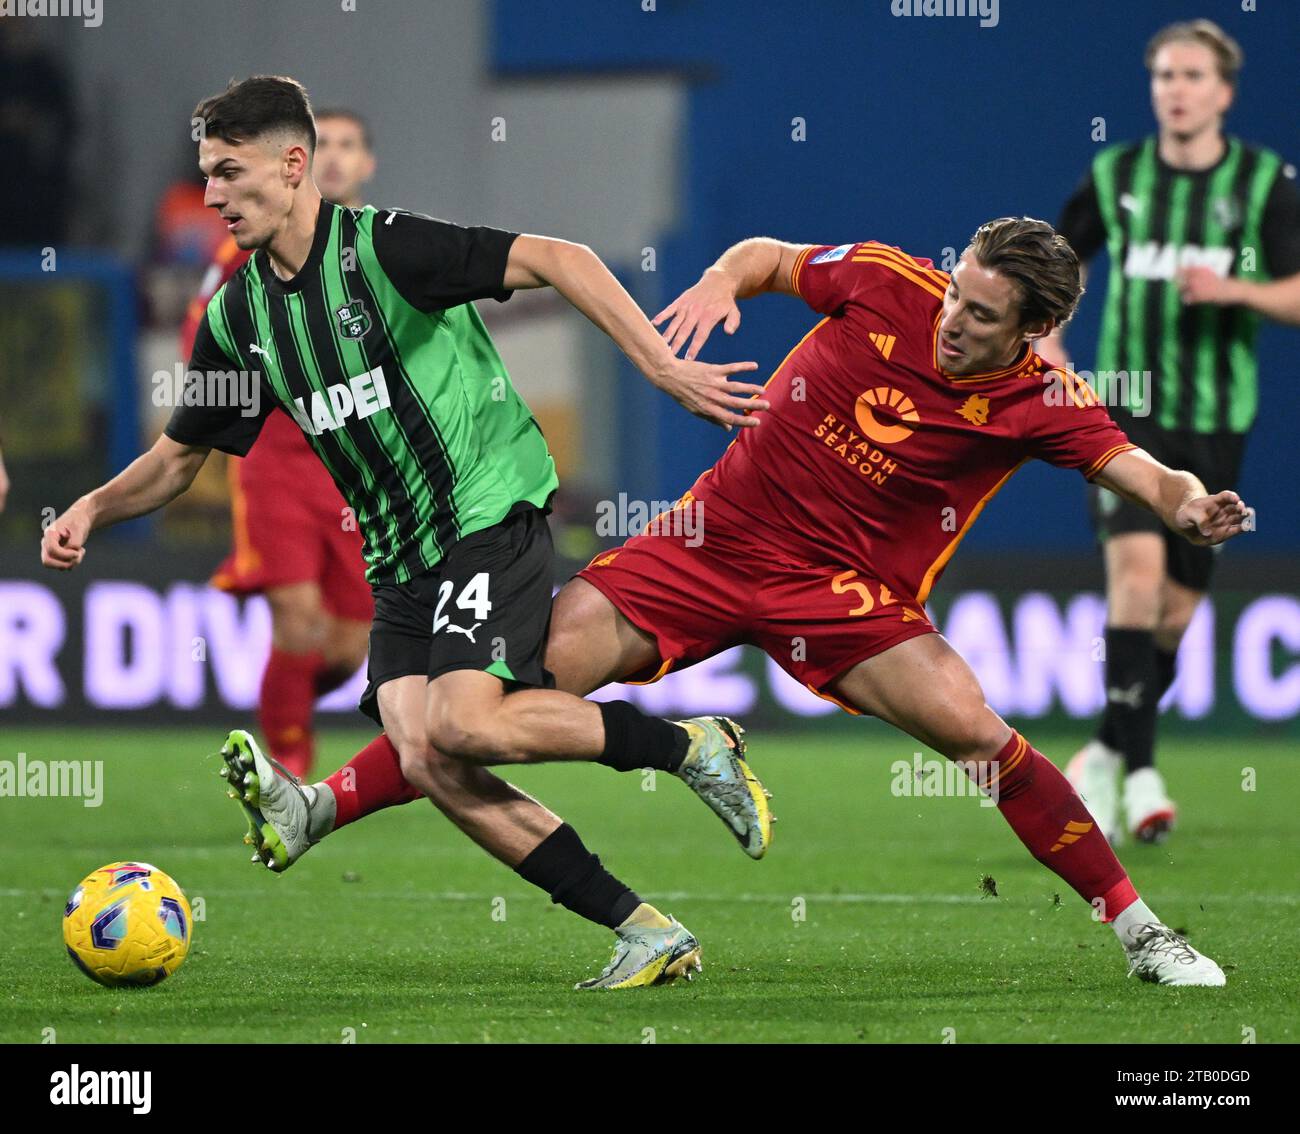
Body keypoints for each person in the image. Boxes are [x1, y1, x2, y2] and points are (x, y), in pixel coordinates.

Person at [274, 218, 1248, 988]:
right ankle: (325, 808)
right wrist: (716, 283)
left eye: (982, 316)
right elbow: (768, 259)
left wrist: (1188, 502)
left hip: (840, 591)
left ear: (1030, 333)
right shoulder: (885, 280)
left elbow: (1138, 470)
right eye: (958, 293)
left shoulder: (1046, 398)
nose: (952, 319)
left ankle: (1141, 930)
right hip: (707, 540)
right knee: (486, 707)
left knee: (976, 733)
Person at [41, 75, 774, 990]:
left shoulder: (387, 252)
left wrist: (663, 369)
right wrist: (91, 509)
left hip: (483, 509)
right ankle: (643, 929)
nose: (213, 196)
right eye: (206, 175)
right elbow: (181, 456)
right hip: (395, 556)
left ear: (294, 164)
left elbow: (560, 255)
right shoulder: (239, 317)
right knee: (428, 757)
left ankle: (692, 747)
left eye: (230, 173)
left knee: (465, 723)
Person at [1040, 19, 1300, 844]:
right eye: (1163, 76)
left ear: (1223, 92)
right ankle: (1143, 773)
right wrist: (1051, 347)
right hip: (1125, 412)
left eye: (1192, 76)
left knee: (1175, 617)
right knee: (1138, 583)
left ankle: (1108, 752)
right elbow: (1049, 268)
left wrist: (1233, 290)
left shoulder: (1264, 184)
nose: (1175, 90)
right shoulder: (1117, 173)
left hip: (1219, 420)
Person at [183, 108, 380, 780]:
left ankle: (281, 703)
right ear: (294, 161)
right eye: (321, 145)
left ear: (367, 164)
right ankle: (287, 771)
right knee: (297, 623)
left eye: (348, 146)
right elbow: (202, 339)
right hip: (274, 458)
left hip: (354, 463)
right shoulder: (241, 249)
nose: (333, 159)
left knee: (349, 643)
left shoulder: (383, 246)